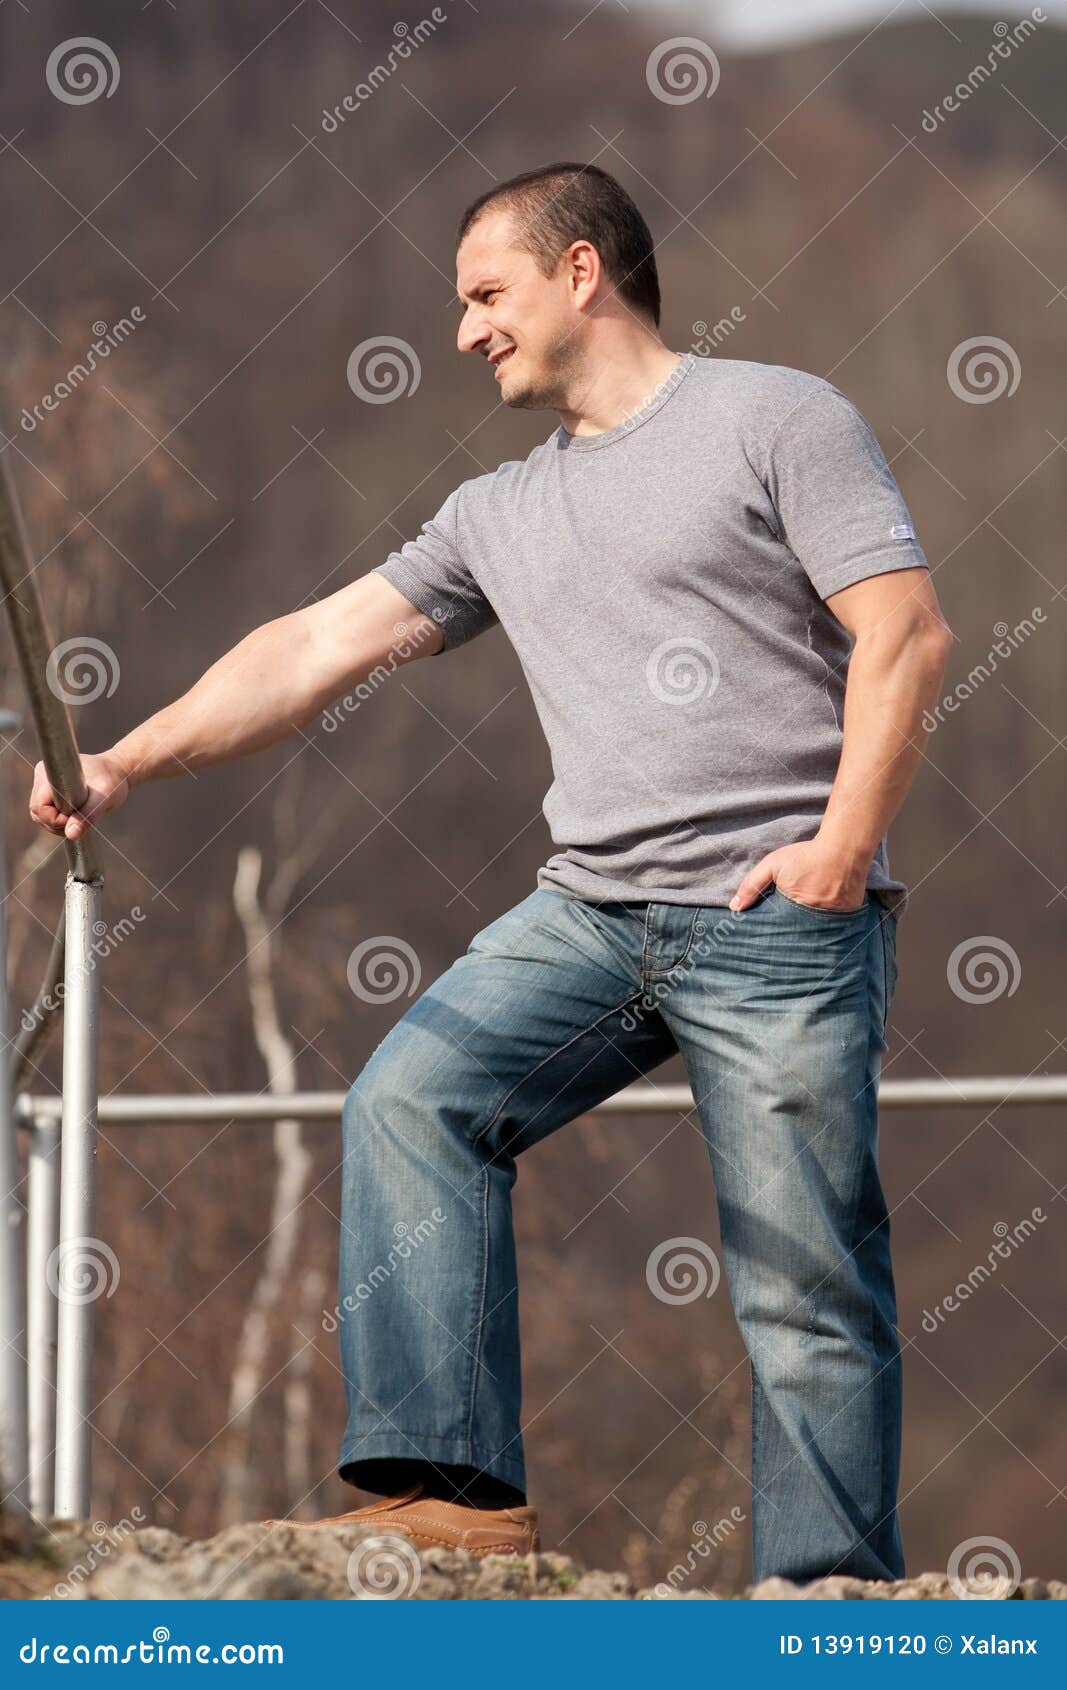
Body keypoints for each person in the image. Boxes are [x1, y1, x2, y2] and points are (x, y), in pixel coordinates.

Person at [29, 162, 952, 1582]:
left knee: (801, 1273)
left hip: (772, 914)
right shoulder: (494, 513)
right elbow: (310, 647)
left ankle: (825, 1598)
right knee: (412, 1096)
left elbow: (906, 635)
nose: (464, 332)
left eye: (485, 295)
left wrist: (837, 850)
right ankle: (450, 1489)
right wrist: (126, 760)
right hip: (588, 912)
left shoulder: (778, 417)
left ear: (584, 271)